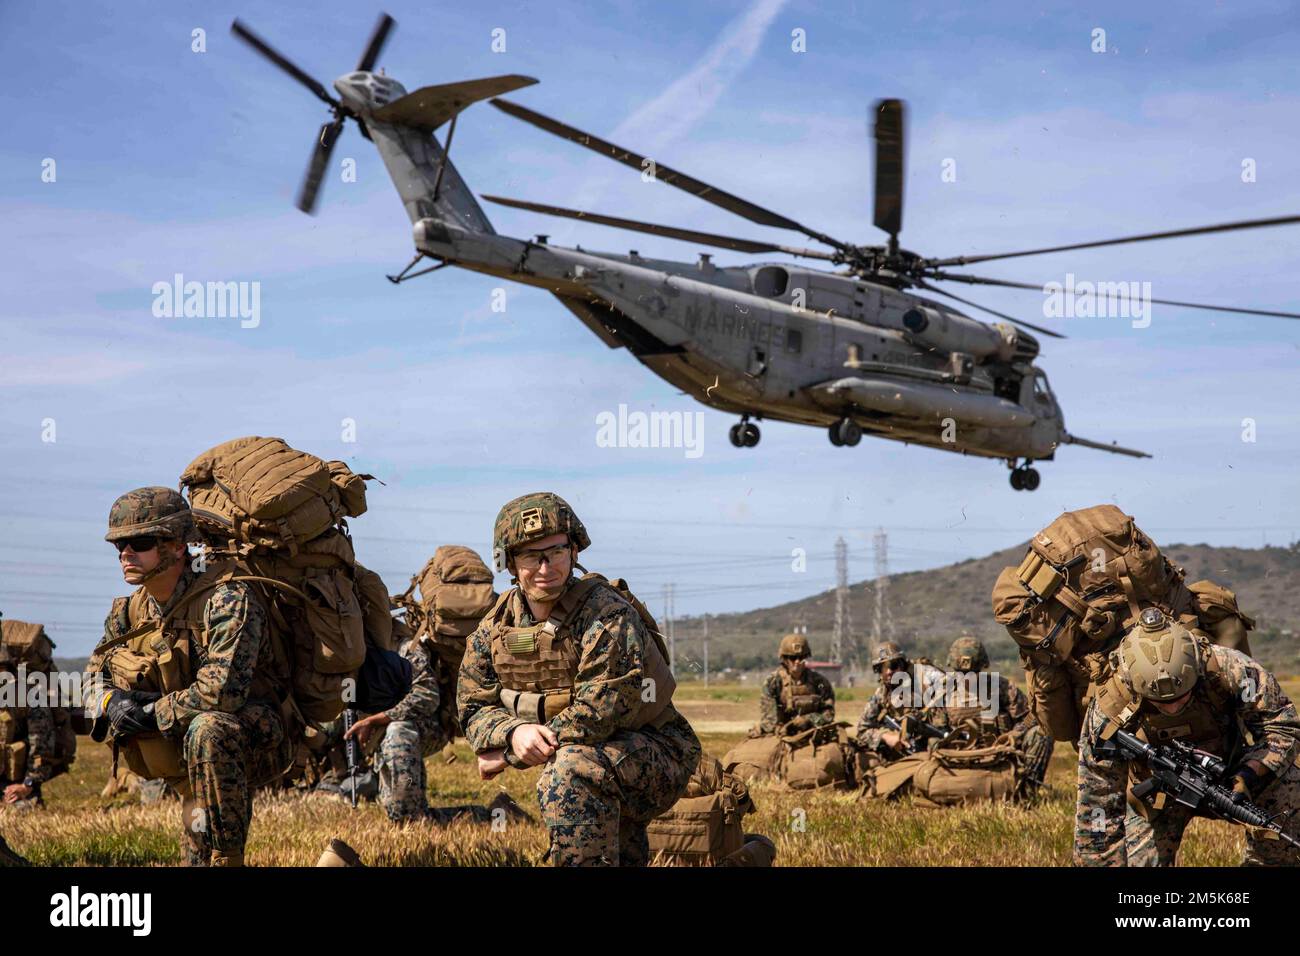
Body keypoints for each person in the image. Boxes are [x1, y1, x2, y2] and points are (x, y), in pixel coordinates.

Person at [458, 492, 700, 865]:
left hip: (658, 751)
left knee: (572, 771)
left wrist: (508, 755)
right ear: (508, 562)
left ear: (573, 551)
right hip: (595, 753)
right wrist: (513, 733)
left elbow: (598, 714)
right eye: (530, 555)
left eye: (555, 551)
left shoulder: (607, 615)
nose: (545, 566)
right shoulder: (495, 626)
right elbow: (472, 705)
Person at [87, 487, 291, 867]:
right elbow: (93, 675)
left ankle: (227, 858)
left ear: (177, 547)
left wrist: (149, 712)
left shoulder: (227, 598)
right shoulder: (129, 612)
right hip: (180, 741)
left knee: (209, 728)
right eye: (119, 546)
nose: (126, 554)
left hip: (253, 734)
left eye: (140, 542)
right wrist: (109, 702)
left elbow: (222, 694)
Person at [1075, 609, 1300, 866]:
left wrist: (1247, 775)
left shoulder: (1229, 668)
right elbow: (1097, 802)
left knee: (1290, 787)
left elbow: (1282, 726)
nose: (1172, 708)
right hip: (1157, 796)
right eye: (1161, 703)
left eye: (1181, 697)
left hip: (1233, 780)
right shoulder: (1111, 707)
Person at [940, 636, 1052, 794]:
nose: (967, 677)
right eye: (961, 672)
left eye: (973, 672)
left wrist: (1015, 733)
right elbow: (936, 732)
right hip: (959, 757)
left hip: (1002, 753)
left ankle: (1026, 791)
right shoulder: (944, 693)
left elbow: (1031, 717)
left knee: (1042, 733)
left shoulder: (1002, 688)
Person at [854, 641, 945, 761]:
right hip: (908, 752)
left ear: (903, 664)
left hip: (940, 744)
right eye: (882, 668)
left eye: (893, 665)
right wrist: (886, 736)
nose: (888, 672)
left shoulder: (925, 676)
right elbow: (862, 731)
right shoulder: (882, 694)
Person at [753, 633, 835, 737]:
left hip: (813, 733)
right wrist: (780, 727)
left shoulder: (820, 682)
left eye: (801, 658)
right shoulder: (773, 682)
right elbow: (768, 718)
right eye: (792, 658)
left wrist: (809, 719)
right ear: (784, 659)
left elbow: (828, 714)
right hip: (780, 734)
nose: (797, 662)